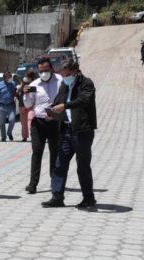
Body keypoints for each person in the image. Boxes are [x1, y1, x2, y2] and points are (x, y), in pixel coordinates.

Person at [42, 59, 98, 209]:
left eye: (67, 74)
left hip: (82, 131)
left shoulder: (86, 83)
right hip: (66, 130)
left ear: (75, 71)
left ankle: (89, 198)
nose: (65, 77)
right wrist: (52, 112)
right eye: (63, 74)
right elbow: (58, 101)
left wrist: (65, 105)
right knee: (59, 164)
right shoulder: (64, 85)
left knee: (83, 166)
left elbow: (84, 100)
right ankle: (57, 197)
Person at [22, 58, 63, 194]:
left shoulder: (60, 81)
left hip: (55, 121)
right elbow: (28, 105)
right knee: (37, 152)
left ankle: (55, 182)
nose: (43, 73)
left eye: (46, 70)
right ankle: (33, 184)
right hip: (38, 122)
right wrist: (26, 94)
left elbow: (65, 99)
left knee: (55, 152)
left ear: (51, 68)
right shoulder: (35, 84)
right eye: (41, 71)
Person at [0, 72, 17, 142]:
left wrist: (15, 96)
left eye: (10, 77)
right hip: (2, 106)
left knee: (12, 120)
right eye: (8, 77)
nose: (10, 79)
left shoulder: (13, 83)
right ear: (4, 78)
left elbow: (15, 92)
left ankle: (9, 133)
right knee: (1, 123)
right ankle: (3, 136)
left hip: (11, 105)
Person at [16, 70, 37, 143]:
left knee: (31, 120)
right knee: (23, 123)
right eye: (25, 76)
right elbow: (18, 92)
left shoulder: (35, 84)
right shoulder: (23, 83)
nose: (25, 78)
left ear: (31, 78)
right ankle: (24, 137)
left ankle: (34, 135)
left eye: (27, 76)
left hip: (31, 105)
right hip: (22, 105)